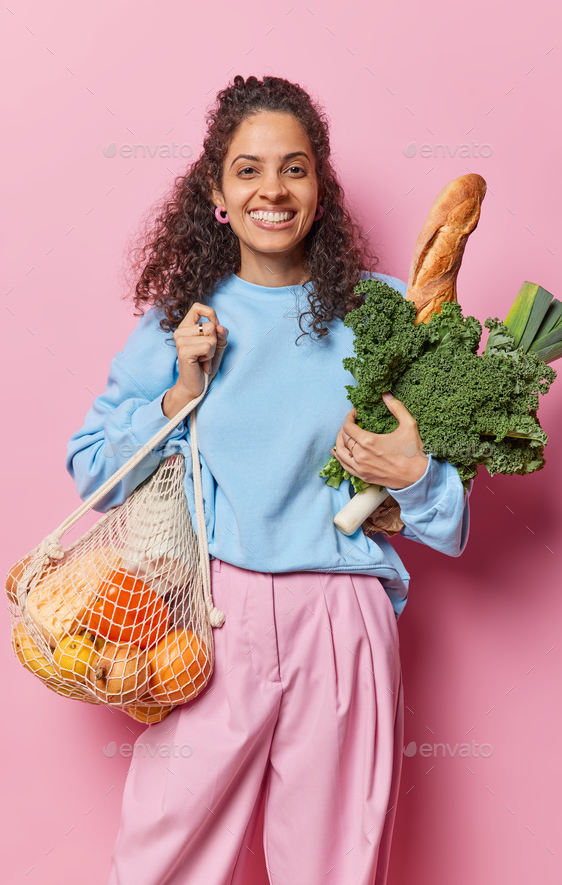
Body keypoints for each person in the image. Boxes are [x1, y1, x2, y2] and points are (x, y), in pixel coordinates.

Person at [66, 74, 471, 885]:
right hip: (213, 617)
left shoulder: (384, 312)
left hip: (343, 615)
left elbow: (453, 524)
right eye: (247, 170)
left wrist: (414, 473)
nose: (272, 190)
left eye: (294, 167)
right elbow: (93, 470)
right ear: (217, 193)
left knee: (334, 870)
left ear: (320, 186)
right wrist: (180, 394)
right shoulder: (185, 319)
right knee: (161, 861)